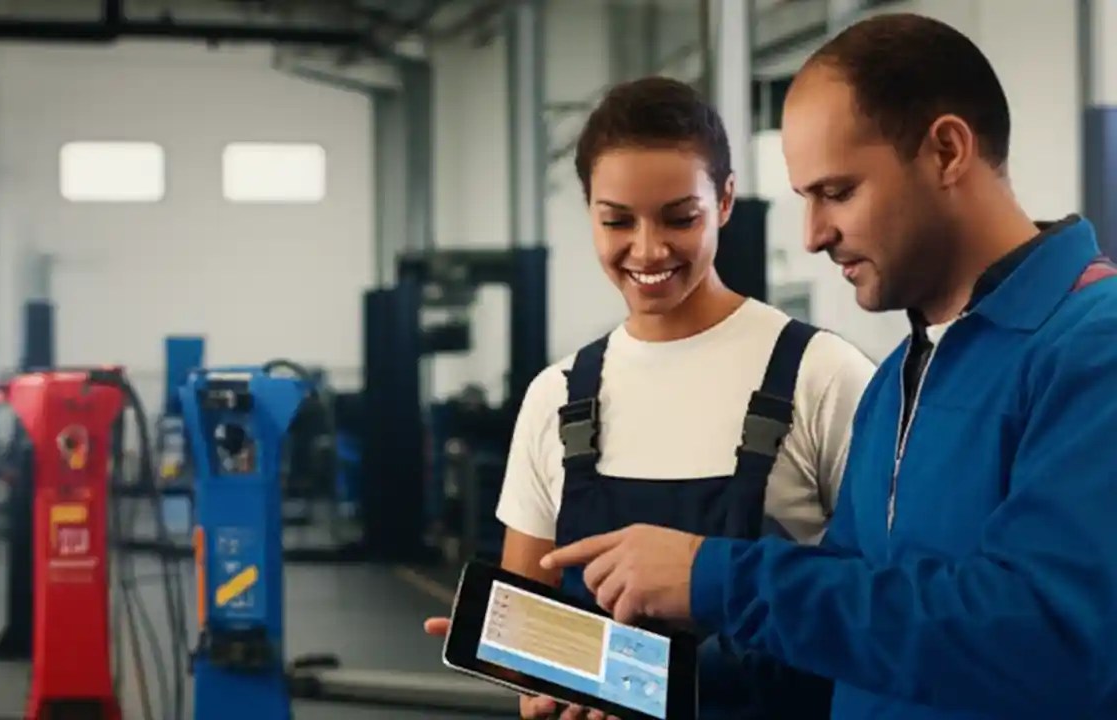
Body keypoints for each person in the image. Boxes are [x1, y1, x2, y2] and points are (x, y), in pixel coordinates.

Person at [539, 12, 1117, 720]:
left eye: (837, 193)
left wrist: (713, 576)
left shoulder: (1094, 349)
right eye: (805, 198)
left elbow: (1049, 641)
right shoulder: (901, 377)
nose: (813, 236)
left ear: (945, 151)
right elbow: (842, 640)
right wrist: (631, 681)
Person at [423, 76, 875, 719]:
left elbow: (872, 610)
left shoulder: (822, 376)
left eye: (678, 217)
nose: (648, 249)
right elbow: (531, 616)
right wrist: (533, 678)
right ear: (589, 213)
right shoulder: (557, 399)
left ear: (724, 202)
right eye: (616, 221)